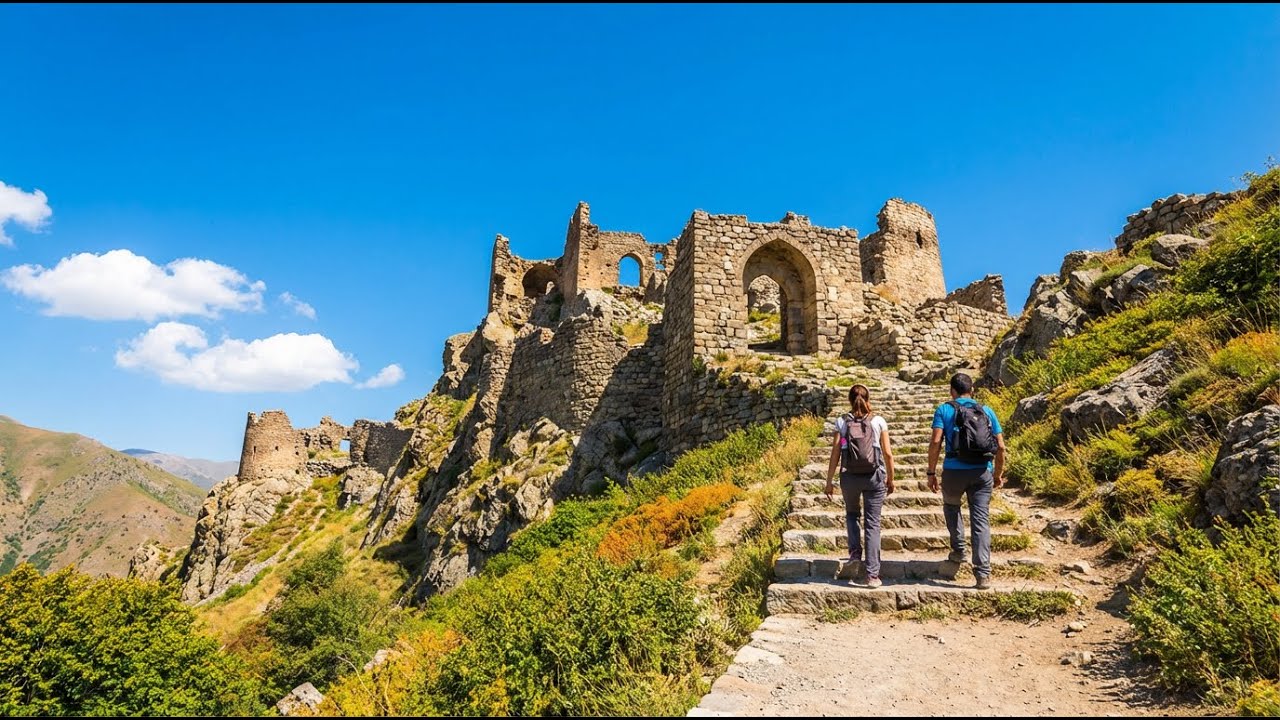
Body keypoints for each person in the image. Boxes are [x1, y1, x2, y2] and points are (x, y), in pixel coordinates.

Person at [926, 372, 1006, 590]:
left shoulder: (944, 409)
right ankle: (982, 574)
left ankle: (959, 550)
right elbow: (1000, 446)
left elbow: (935, 441)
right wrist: (997, 474)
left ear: (952, 390)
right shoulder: (986, 410)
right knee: (980, 520)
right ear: (972, 390)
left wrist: (931, 472)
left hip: (953, 470)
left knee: (952, 508)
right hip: (982, 471)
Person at [825, 384, 895, 588]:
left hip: (849, 477)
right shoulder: (878, 421)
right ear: (868, 399)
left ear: (849, 399)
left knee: (852, 514)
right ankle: (872, 576)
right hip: (874, 476)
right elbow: (888, 454)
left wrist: (829, 482)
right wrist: (891, 478)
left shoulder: (842, 421)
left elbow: (835, 454)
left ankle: (855, 554)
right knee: (873, 524)